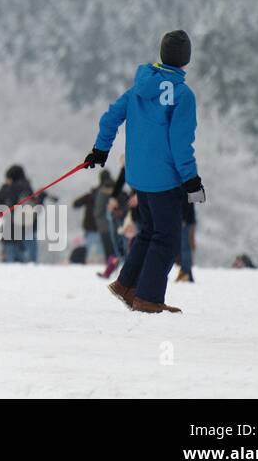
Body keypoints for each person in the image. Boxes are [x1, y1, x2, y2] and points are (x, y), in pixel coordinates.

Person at [83, 29, 202, 314]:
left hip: (139, 177)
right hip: (165, 179)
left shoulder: (139, 87)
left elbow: (110, 117)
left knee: (150, 231)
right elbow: (180, 141)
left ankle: (126, 284)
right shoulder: (182, 95)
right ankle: (148, 298)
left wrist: (101, 150)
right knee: (167, 237)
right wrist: (191, 180)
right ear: (185, 60)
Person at [0, 165, 35, 263]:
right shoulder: (28, 187)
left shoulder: (9, 188)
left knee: (10, 256)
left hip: (11, 229)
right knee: (29, 259)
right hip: (29, 227)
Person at [73, 173, 108, 264]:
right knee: (103, 251)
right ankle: (105, 265)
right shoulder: (110, 195)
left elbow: (76, 204)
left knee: (87, 250)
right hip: (103, 227)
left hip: (90, 228)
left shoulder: (90, 195)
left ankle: (85, 264)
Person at [176, 196, 197, 282]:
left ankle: (186, 272)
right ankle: (185, 271)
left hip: (185, 220)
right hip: (187, 219)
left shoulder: (184, 186)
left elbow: (185, 203)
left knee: (185, 246)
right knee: (185, 246)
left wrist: (183, 218)